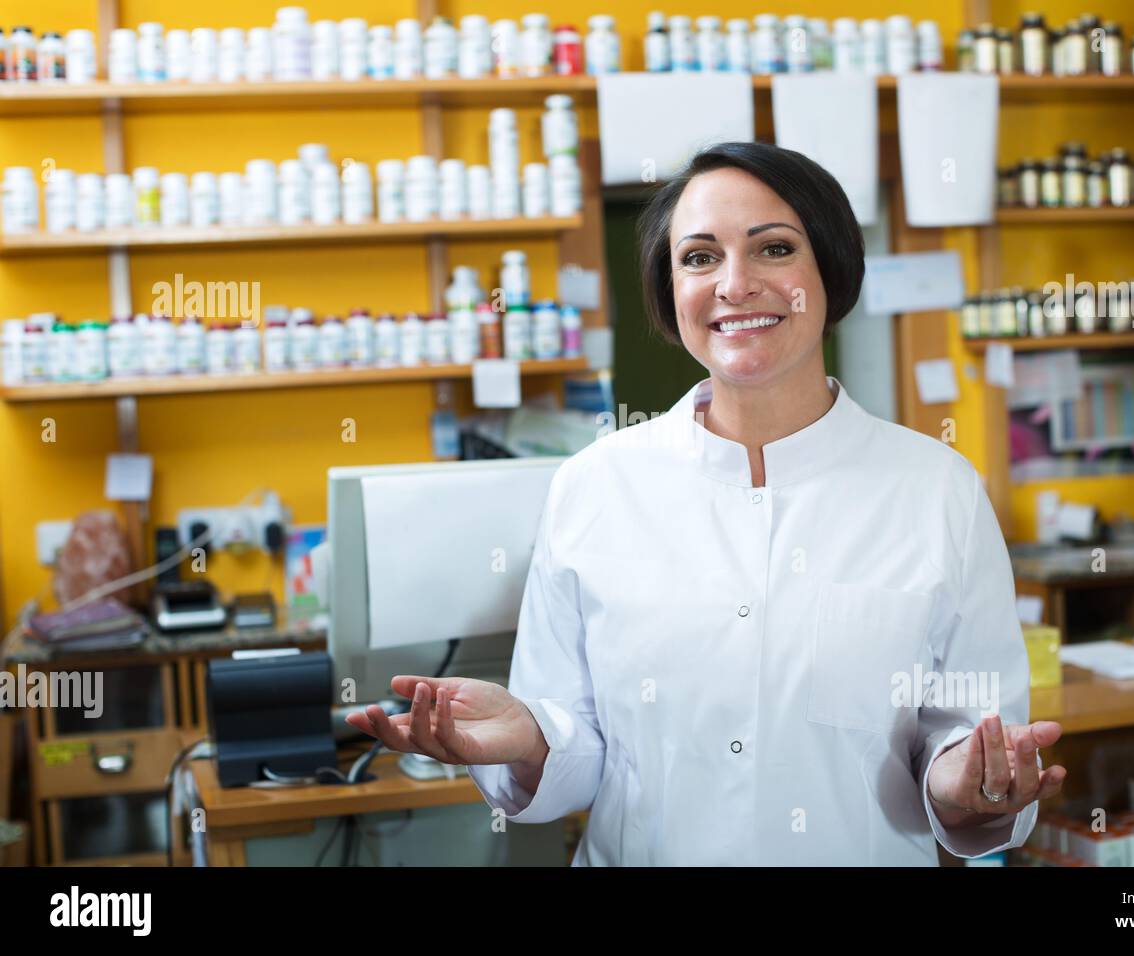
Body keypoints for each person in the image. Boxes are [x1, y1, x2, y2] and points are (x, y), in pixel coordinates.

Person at [348, 141, 1066, 865]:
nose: (734, 283)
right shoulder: (595, 484)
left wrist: (966, 787)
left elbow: (969, 743)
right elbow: (578, 749)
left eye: (775, 248)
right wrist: (531, 736)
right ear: (670, 290)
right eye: (698, 257)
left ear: (831, 271)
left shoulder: (938, 489)